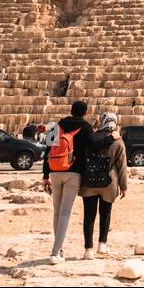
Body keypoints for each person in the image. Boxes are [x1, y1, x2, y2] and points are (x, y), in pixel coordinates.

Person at [41, 100, 96, 264]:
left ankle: (60, 250)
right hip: (73, 173)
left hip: (55, 172)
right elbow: (94, 145)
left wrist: (45, 175)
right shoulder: (86, 127)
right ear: (85, 113)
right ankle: (55, 252)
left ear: (71, 111)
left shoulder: (55, 125)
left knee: (57, 212)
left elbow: (48, 151)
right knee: (65, 213)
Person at [80, 112, 128, 259]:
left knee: (89, 215)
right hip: (109, 182)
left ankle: (88, 249)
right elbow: (122, 166)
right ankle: (102, 244)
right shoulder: (118, 141)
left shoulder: (91, 138)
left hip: (89, 182)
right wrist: (124, 186)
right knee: (105, 213)